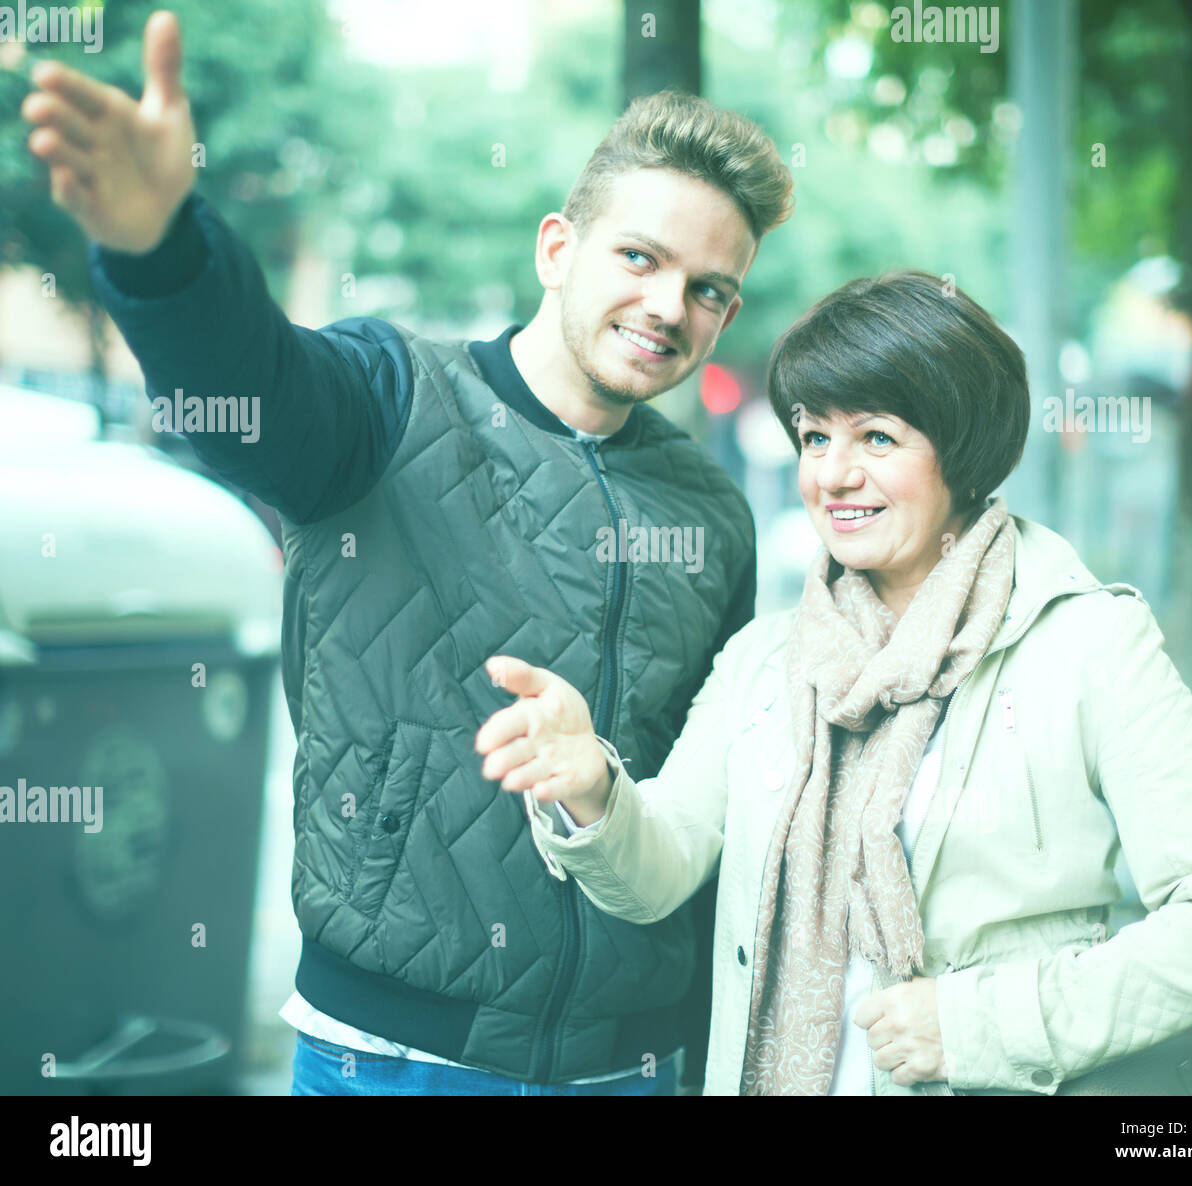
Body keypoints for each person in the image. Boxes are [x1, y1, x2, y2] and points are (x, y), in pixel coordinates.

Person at [20, 10, 795, 1094]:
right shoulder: (388, 396)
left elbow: (707, 812)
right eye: (639, 257)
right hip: (391, 1057)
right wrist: (164, 252)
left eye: (708, 288)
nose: (669, 305)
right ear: (557, 248)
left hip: (629, 1067)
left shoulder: (713, 511)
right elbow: (247, 392)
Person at [476, 269, 1192, 1096]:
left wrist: (979, 1026)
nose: (831, 475)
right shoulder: (767, 657)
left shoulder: (1088, 643)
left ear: (962, 448)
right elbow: (660, 872)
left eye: (877, 438)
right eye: (815, 437)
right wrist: (591, 789)